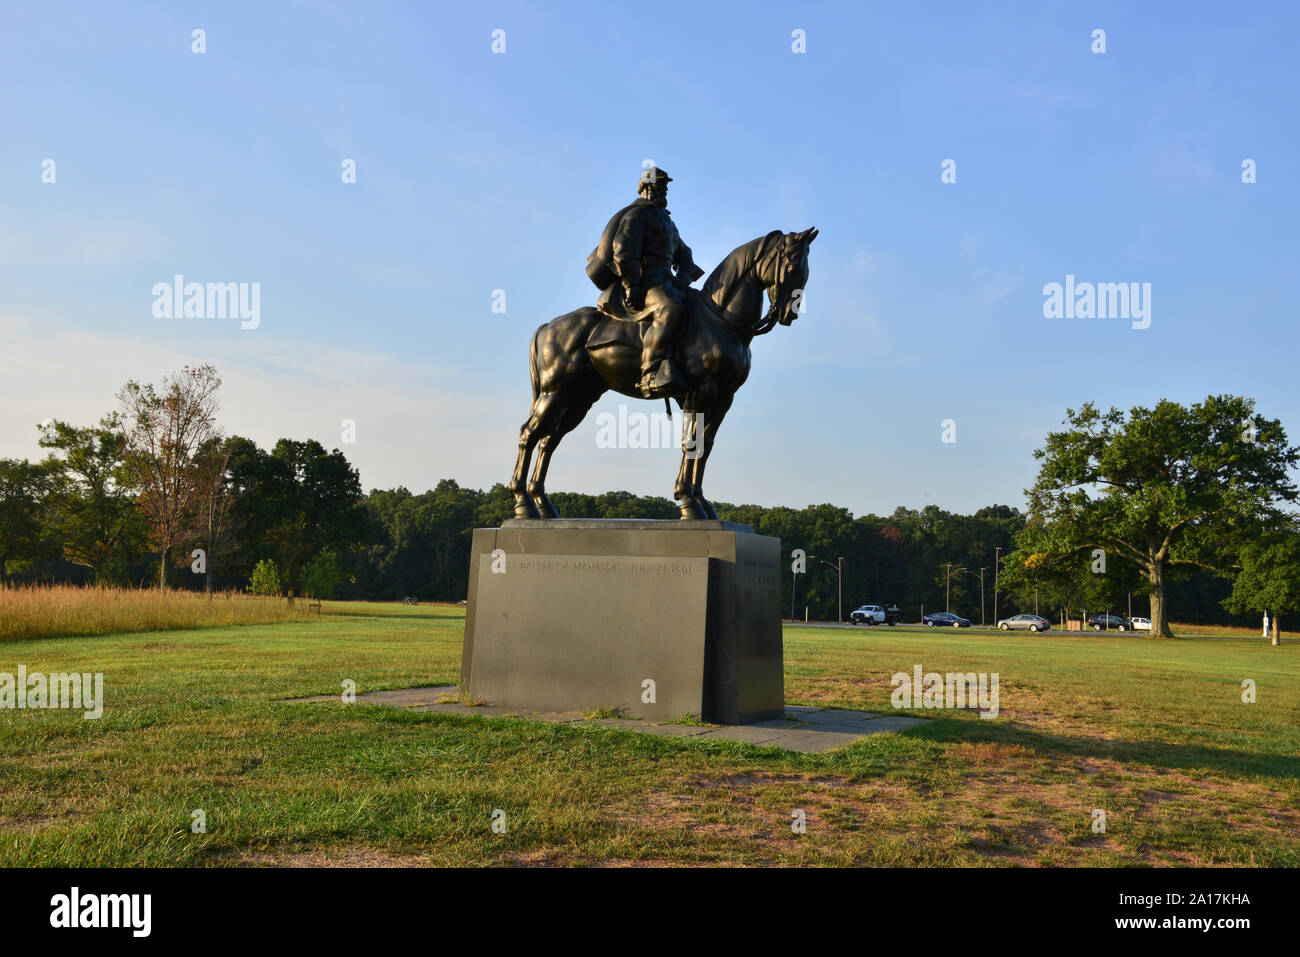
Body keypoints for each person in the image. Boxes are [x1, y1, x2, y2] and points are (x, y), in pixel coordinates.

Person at [586, 167, 705, 397]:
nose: (664, 190)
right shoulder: (637, 215)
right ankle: (651, 372)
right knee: (671, 309)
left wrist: (682, 280)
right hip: (647, 282)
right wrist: (633, 285)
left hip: (668, 282)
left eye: (665, 186)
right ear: (647, 188)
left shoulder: (668, 222)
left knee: (697, 308)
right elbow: (623, 251)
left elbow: (685, 254)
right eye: (660, 186)